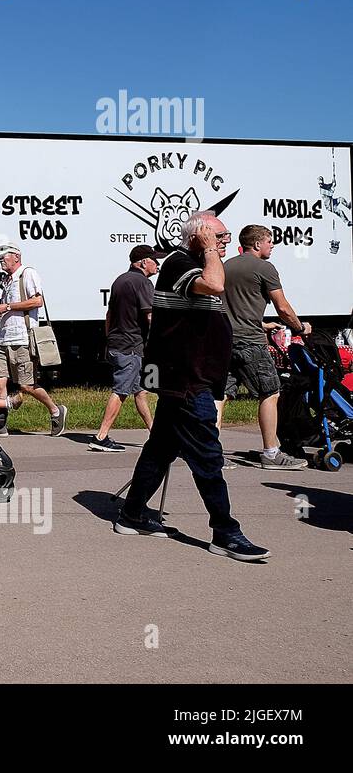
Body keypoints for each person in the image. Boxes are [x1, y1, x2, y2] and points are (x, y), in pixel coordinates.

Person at [115, 212, 272, 562]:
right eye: (219, 236)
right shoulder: (180, 263)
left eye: (225, 236)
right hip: (186, 380)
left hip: (189, 378)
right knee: (208, 457)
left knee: (160, 449)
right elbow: (214, 285)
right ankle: (225, 532)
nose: (225, 242)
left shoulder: (197, 265)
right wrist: (209, 249)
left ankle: (132, 514)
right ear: (198, 236)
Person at [220, 224, 311, 469]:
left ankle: (212, 452)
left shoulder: (226, 267)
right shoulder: (264, 268)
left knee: (221, 394)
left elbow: (230, 308)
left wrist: (262, 324)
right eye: (270, 241)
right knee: (270, 392)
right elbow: (282, 307)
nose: (272, 245)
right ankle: (271, 453)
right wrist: (300, 327)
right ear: (257, 243)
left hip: (225, 340)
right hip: (251, 342)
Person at [0, 244, 68, 436]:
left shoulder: (27, 273)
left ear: (16, 257)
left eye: (3, 256)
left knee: (27, 385)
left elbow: (37, 301)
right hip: (2, 338)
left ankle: (56, 411)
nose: (1, 260)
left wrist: (7, 307)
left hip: (22, 338)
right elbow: (11, 308)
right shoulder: (7, 280)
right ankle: (0, 425)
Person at [89, 245, 160, 451]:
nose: (158, 264)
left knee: (140, 391)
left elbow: (109, 314)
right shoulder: (143, 282)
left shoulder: (120, 280)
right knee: (121, 391)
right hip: (130, 346)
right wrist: (162, 341)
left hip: (118, 343)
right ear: (143, 262)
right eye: (155, 260)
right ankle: (101, 437)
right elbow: (150, 316)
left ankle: (156, 434)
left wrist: (109, 338)